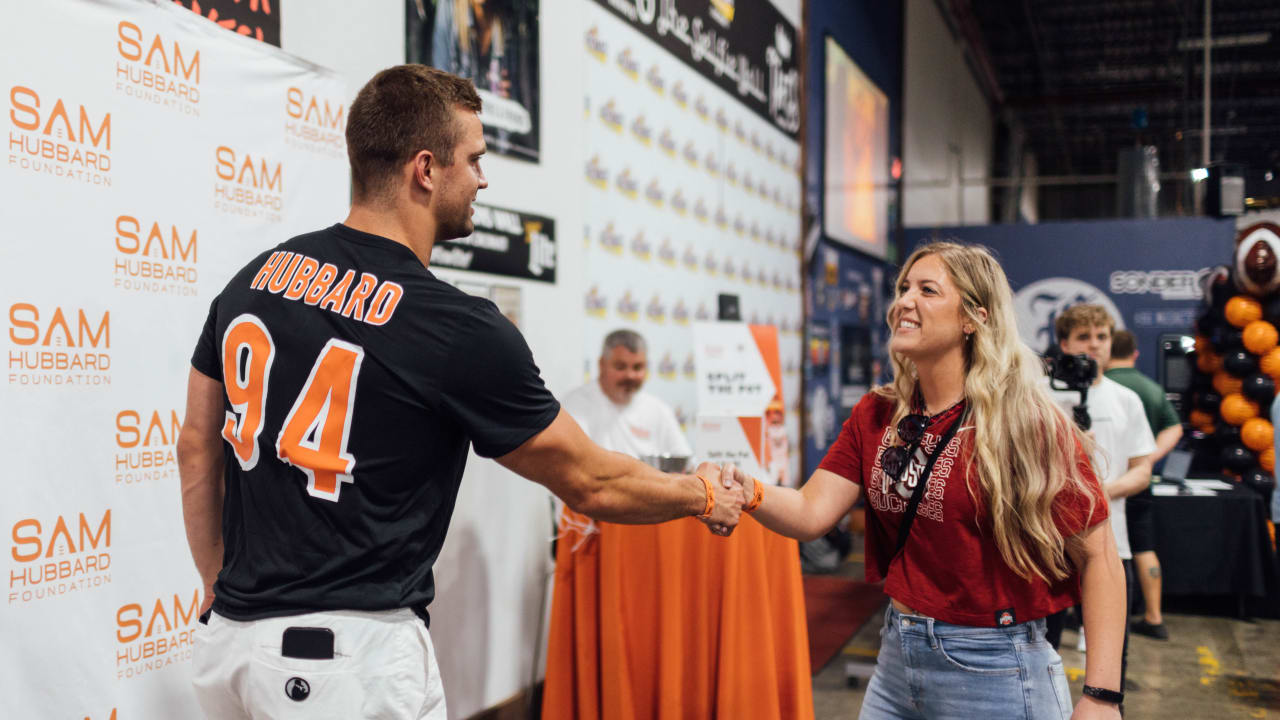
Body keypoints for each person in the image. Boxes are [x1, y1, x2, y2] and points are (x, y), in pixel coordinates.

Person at [176, 65, 743, 720]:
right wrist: (699, 492)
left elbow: (197, 446)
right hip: (346, 660)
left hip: (230, 647)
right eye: (474, 159)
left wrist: (219, 584)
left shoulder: (255, 278)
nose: (482, 178)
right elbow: (592, 481)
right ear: (426, 169)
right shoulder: (454, 326)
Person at [713, 242, 1129, 719]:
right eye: (903, 288)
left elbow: (1098, 558)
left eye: (927, 290)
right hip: (897, 655)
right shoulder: (878, 413)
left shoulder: (1026, 424)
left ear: (973, 318)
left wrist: (1101, 696)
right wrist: (750, 491)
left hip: (994, 667)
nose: (904, 301)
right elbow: (811, 512)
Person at [1050, 305, 1155, 699]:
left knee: (1112, 665)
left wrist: (1096, 496)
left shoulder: (1127, 400)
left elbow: (1142, 469)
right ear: (1064, 344)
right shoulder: (1039, 398)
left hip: (1114, 546)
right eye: (1083, 337)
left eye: (1101, 336)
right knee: (1039, 651)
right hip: (1047, 549)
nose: (1093, 345)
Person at [557, 328, 692, 536]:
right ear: (602, 365)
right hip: (590, 529)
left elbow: (685, 464)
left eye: (637, 367)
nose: (630, 375)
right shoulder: (575, 405)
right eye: (621, 367)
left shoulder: (658, 410)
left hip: (650, 527)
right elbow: (577, 469)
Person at [1105, 329, 1182, 640]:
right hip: (1136, 483)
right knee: (1143, 546)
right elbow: (1174, 428)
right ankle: (1154, 616)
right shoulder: (1150, 388)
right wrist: (1147, 460)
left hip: (1103, 480)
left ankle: (1084, 618)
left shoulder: (1102, 389)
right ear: (1135, 353)